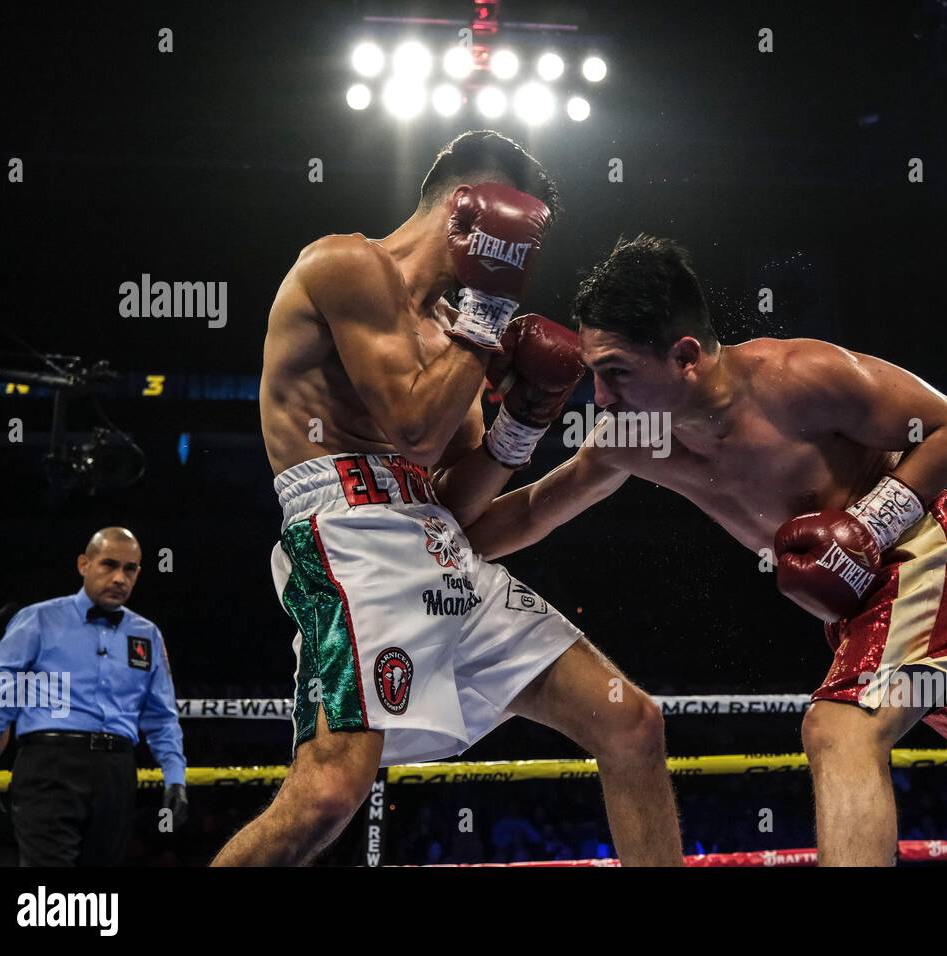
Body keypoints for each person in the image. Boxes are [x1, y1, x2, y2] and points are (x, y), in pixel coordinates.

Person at [463, 234, 947, 867]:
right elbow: (533, 511)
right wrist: (432, 535)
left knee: (838, 728)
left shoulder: (799, 377)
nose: (601, 398)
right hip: (866, 607)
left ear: (685, 355)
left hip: (931, 550)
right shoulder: (630, 440)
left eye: (616, 373)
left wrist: (871, 523)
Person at [213, 132, 682, 866]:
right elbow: (411, 426)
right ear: (471, 207)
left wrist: (521, 426)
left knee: (633, 725)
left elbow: (456, 506)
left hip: (435, 544)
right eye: (520, 232)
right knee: (330, 791)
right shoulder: (346, 263)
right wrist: (491, 308)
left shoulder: (451, 335)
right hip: (346, 538)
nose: (524, 259)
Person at [0, 527, 187, 866]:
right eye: (109, 565)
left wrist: (175, 778)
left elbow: (161, 716)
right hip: (48, 764)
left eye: (130, 569)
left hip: (116, 771)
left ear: (139, 573)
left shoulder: (146, 634)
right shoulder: (37, 619)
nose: (119, 578)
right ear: (84, 564)